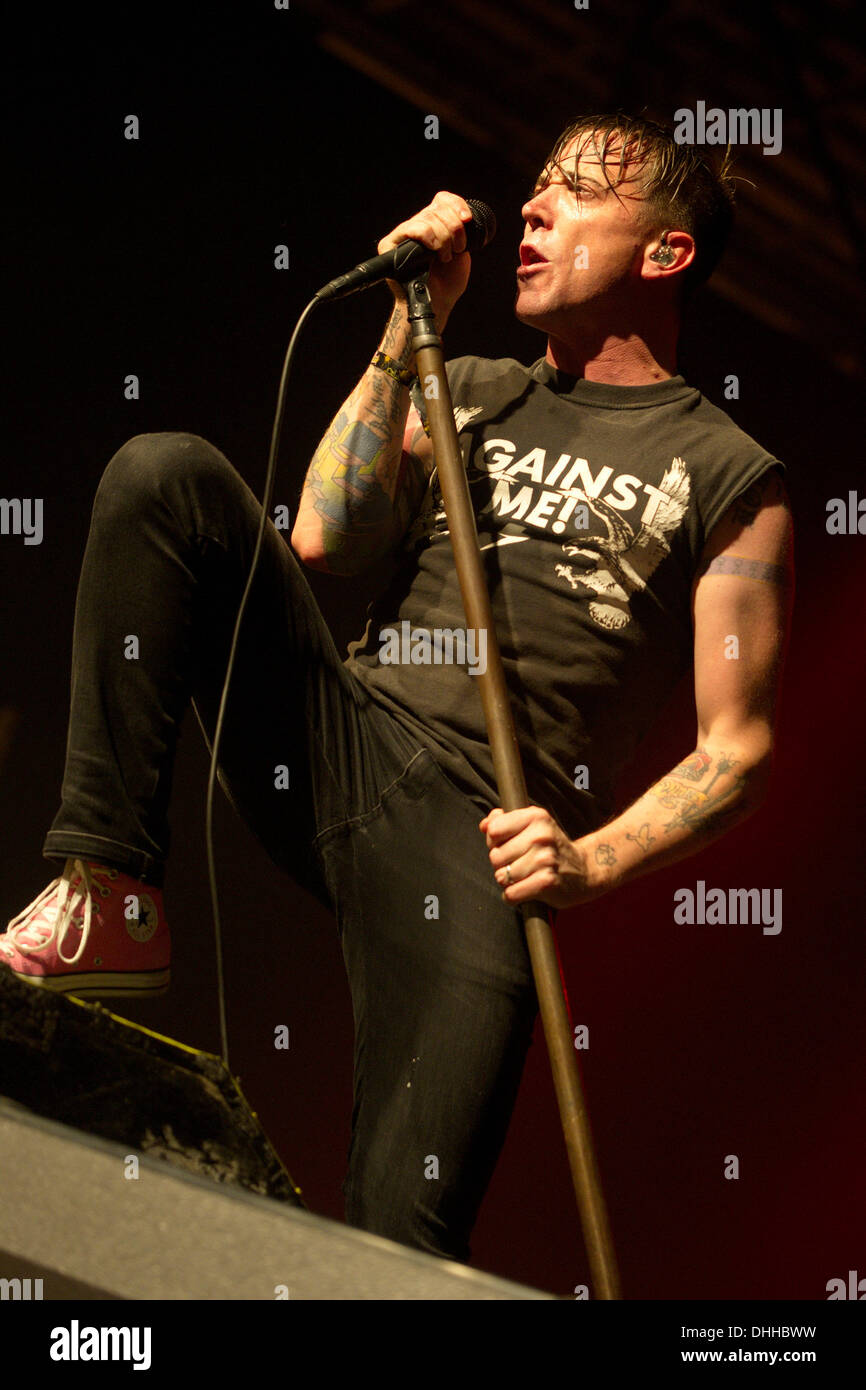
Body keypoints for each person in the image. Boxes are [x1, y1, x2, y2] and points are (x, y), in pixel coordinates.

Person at [0, 114, 793, 1262]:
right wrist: (406, 313)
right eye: (531, 189)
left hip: (482, 839)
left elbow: (738, 746)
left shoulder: (726, 471)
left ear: (663, 253)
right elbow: (322, 534)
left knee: (399, 1243)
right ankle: (108, 895)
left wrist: (587, 862)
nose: (528, 212)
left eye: (569, 194)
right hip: (351, 734)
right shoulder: (462, 380)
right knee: (164, 475)